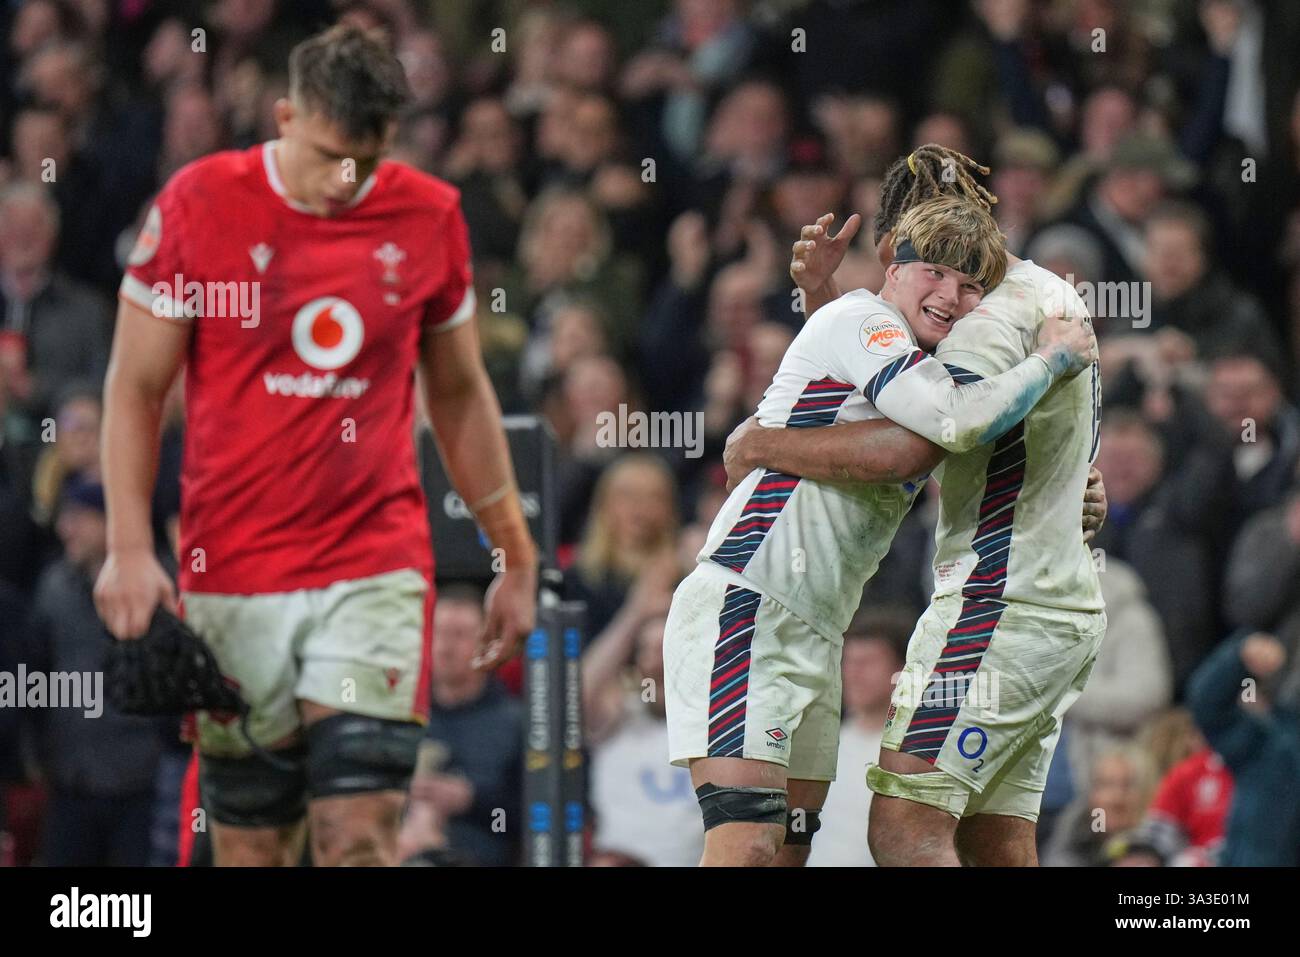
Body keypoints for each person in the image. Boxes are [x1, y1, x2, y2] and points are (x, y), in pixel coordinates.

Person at [94, 24, 538, 867]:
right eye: (331, 155)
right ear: (285, 115)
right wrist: (125, 544)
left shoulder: (429, 214)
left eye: (366, 163)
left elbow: (458, 394)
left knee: (359, 836)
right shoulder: (197, 203)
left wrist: (514, 552)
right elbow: (134, 387)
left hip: (372, 566)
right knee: (253, 847)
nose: (348, 182)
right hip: (233, 570)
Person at [665, 186, 1097, 867]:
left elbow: (931, 432)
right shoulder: (869, 322)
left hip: (816, 627)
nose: (951, 295)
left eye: (970, 285)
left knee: (786, 851)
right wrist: (1050, 360)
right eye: (935, 271)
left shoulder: (896, 351)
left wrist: (1072, 484)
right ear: (892, 267)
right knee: (746, 843)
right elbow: (938, 432)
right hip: (749, 598)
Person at [398, 586, 522, 867]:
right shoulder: (400, 717)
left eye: (460, 635)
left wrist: (473, 801)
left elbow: (540, 815)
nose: (446, 647)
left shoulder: (516, 723)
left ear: (488, 642)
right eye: (438, 633)